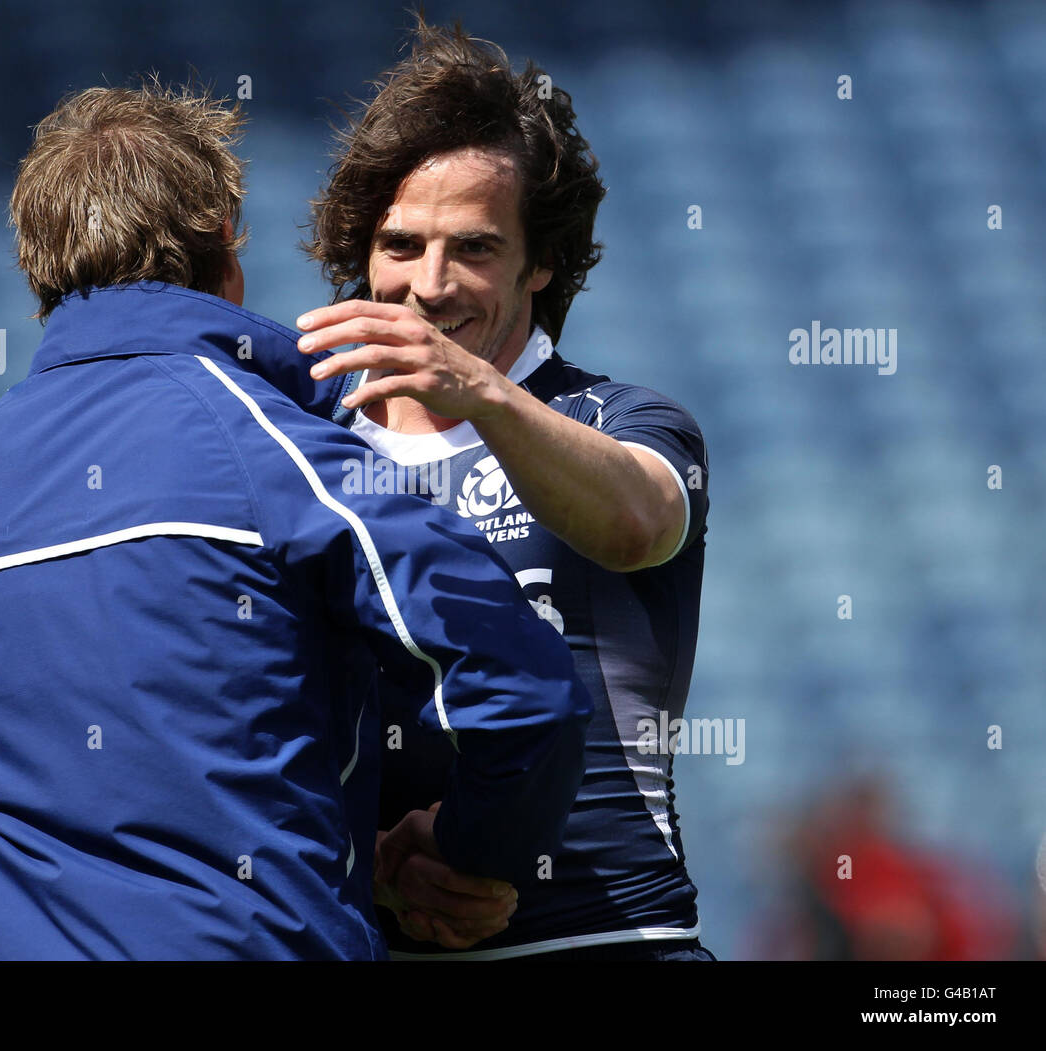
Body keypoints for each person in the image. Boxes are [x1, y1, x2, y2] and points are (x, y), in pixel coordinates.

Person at [0, 79, 592, 960]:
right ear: (224, 248)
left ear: (38, 270)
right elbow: (525, 686)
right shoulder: (272, 444)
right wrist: (470, 856)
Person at [301, 21, 715, 960]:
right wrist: (375, 863)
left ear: (542, 263)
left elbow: (640, 520)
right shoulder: (304, 440)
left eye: (475, 249)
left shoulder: (622, 420)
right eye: (400, 244)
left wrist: (476, 389)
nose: (429, 287)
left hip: (609, 940)